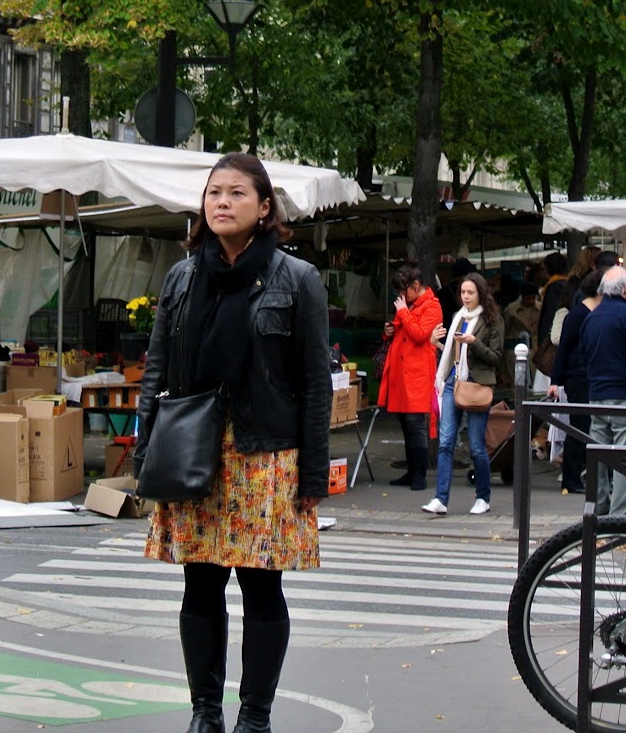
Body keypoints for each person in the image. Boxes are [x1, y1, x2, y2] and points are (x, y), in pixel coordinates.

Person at [134, 152, 331, 733]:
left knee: (261, 583)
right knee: (200, 581)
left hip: (265, 453)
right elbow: (157, 370)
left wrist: (314, 474)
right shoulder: (182, 275)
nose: (221, 202)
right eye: (214, 192)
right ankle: (205, 712)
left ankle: (255, 716)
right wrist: (145, 452)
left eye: (236, 193)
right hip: (193, 447)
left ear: (265, 207)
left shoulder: (297, 279)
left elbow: (315, 383)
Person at [421, 272, 506, 516]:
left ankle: (483, 496)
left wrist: (473, 342)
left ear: (481, 293)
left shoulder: (492, 320)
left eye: (470, 292)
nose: (465, 297)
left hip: (478, 384)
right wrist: (438, 343)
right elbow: (455, 351)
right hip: (453, 381)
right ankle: (440, 499)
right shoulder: (458, 317)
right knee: (446, 441)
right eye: (462, 293)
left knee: (477, 446)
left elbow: (496, 358)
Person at [578, 266, 626, 516]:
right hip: (625, 395)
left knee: (599, 455)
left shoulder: (591, 317)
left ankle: (596, 507)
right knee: (625, 455)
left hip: (597, 395)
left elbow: (583, 356)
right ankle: (620, 513)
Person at [378, 261, 443, 490]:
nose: (400, 295)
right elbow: (402, 330)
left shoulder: (432, 307)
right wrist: (389, 331)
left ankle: (420, 474)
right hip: (402, 373)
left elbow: (419, 334)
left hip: (417, 375)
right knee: (406, 424)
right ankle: (411, 471)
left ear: (415, 285)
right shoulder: (413, 304)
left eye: (403, 290)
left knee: (415, 424)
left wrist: (404, 313)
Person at [550, 270, 602, 494]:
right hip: (577, 375)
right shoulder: (577, 314)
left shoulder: (599, 313)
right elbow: (563, 348)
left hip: (592, 374)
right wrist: (555, 380)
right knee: (580, 425)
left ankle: (584, 476)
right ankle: (570, 478)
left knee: (590, 425)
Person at [502, 283, 540, 351]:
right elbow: (505, 328)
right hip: (516, 346)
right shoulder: (511, 309)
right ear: (522, 297)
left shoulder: (541, 308)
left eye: (533, 298)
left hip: (535, 348)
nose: (531, 301)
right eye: (528, 298)